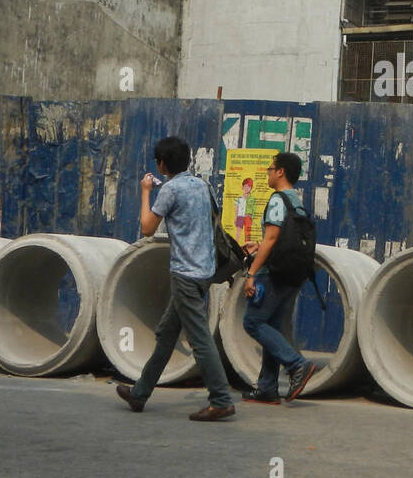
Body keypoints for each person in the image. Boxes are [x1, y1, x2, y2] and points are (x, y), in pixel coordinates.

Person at [115, 136, 236, 422]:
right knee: (167, 333)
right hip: (205, 272)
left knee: (200, 339)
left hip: (184, 274)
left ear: (161, 164)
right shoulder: (203, 186)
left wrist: (146, 192)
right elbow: (213, 220)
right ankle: (140, 393)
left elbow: (147, 228)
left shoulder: (169, 190)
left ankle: (220, 399)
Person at [240, 151, 317, 404]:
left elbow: (273, 239)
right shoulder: (296, 201)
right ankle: (267, 389)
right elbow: (279, 239)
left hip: (271, 275)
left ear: (281, 172)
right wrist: (258, 245)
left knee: (252, 323)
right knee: (271, 327)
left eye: (271, 168)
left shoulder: (277, 200)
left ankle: (297, 365)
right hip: (292, 274)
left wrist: (251, 274)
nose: (268, 172)